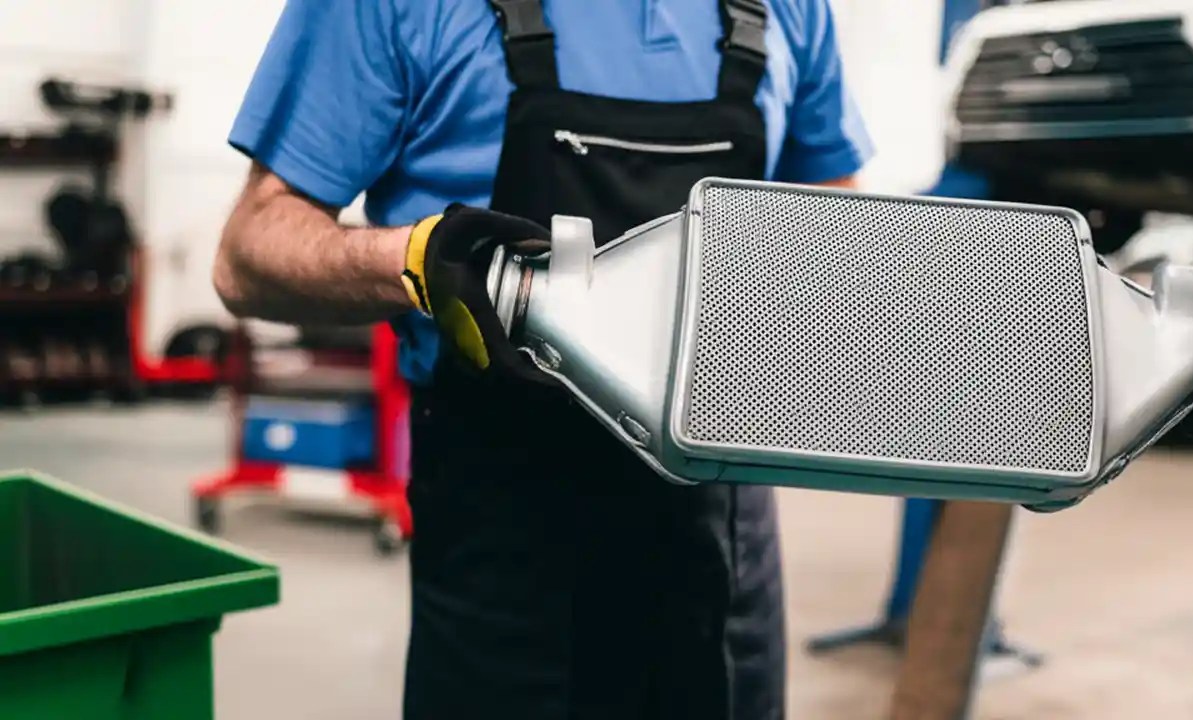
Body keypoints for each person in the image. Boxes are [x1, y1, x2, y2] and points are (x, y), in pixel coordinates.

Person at [215, 1, 871, 718]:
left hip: (723, 541)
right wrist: (411, 259)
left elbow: (831, 207)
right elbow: (247, 254)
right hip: (504, 540)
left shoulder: (791, 9)